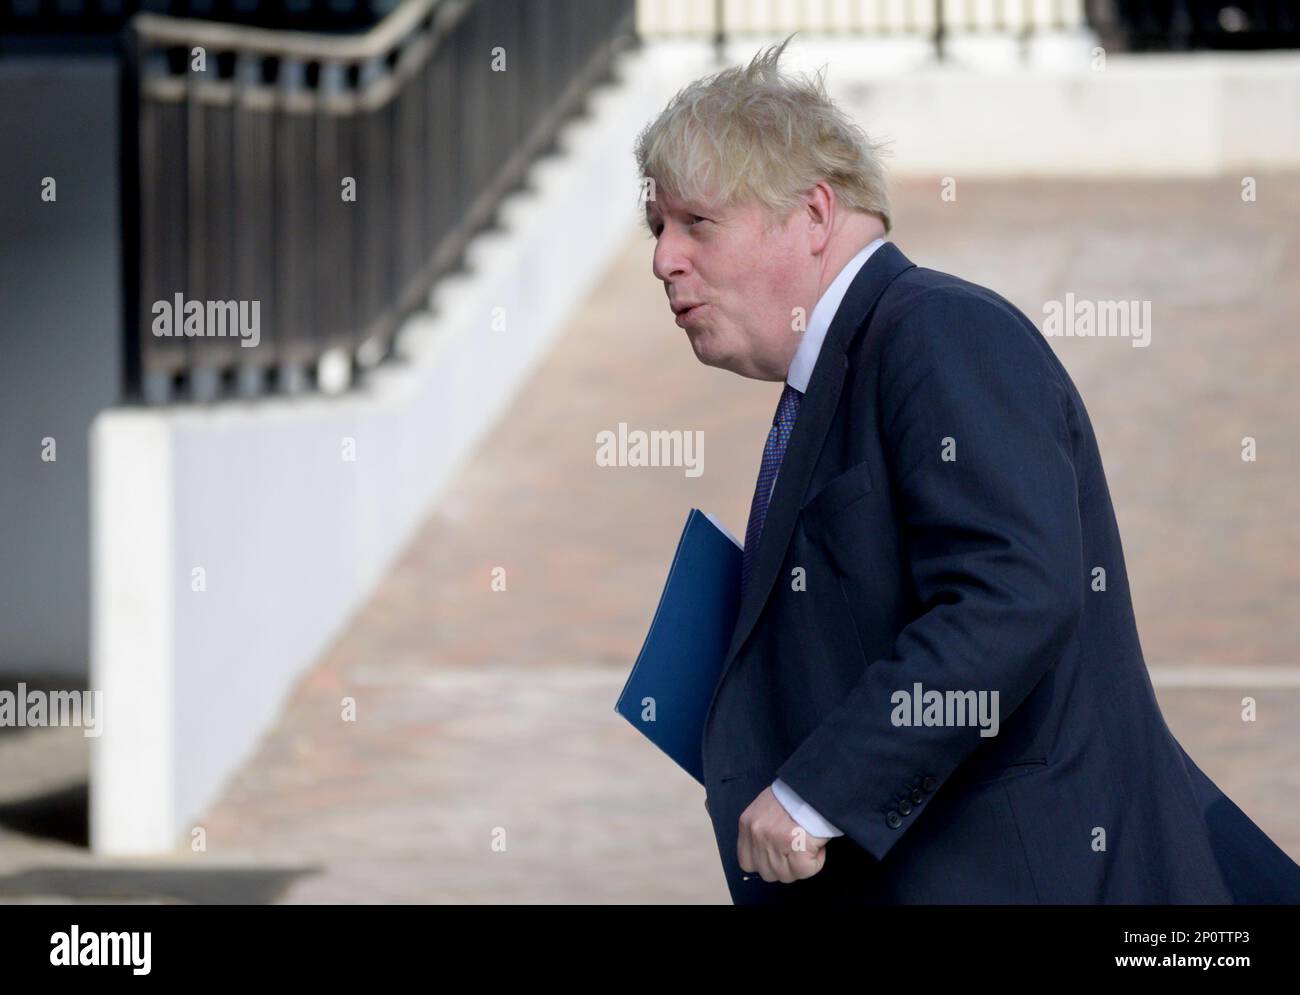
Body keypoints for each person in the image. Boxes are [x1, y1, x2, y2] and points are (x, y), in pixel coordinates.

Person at [633, 35, 1300, 904]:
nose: (664, 259)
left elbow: (1011, 594)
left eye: (697, 223)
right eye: (658, 228)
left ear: (814, 215)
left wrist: (817, 790)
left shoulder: (937, 333)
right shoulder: (848, 368)